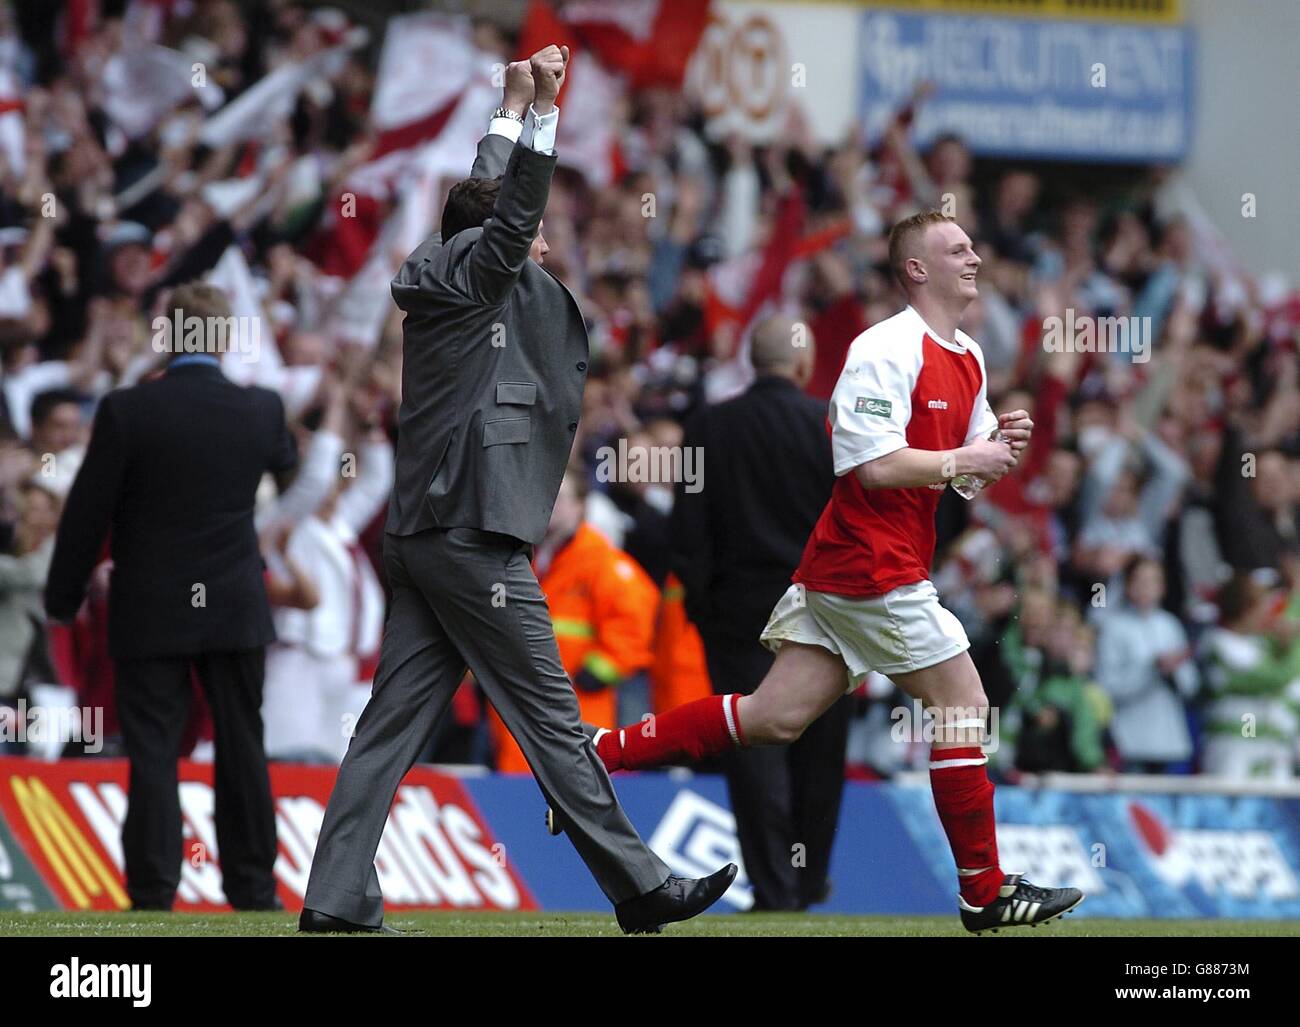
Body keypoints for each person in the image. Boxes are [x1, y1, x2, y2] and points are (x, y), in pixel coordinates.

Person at [299, 46, 735, 936]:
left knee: (386, 732)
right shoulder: (480, 269)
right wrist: (548, 115)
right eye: (529, 225)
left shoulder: (444, 269)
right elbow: (508, 211)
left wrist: (511, 106)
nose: (543, 237)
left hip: (428, 537)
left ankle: (334, 899)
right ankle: (641, 884)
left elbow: (485, 196)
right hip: (476, 534)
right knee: (554, 718)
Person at [576, 212, 1084, 933]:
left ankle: (602, 753)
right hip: (870, 566)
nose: (976, 256)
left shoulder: (967, 353)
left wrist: (995, 447)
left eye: (974, 244)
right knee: (965, 704)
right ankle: (984, 889)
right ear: (916, 268)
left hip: (859, 567)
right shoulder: (882, 349)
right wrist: (963, 459)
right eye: (958, 248)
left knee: (772, 716)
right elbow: (873, 465)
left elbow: (961, 475)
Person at [44, 280, 297, 911]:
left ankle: (154, 889)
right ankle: (254, 887)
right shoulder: (261, 408)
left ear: (170, 333)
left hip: (151, 602)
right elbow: (293, 468)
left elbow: (85, 514)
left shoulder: (127, 411)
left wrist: (62, 597)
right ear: (224, 337)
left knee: (153, 747)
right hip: (236, 602)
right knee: (243, 741)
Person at [670, 313, 850, 911]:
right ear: (801, 366)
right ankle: (807, 880)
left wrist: (701, 604)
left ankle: (774, 886)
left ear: (752, 361)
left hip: (738, 615)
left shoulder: (706, 428)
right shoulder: (831, 425)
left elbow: (687, 532)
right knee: (820, 749)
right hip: (827, 612)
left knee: (753, 748)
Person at [488, 468, 659, 773]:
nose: (550, 506)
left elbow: (635, 618)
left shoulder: (599, 560)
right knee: (520, 789)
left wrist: (597, 670)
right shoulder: (528, 556)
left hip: (577, 702)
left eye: (561, 498)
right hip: (523, 701)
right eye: (544, 497)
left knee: (575, 780)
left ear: (581, 506)